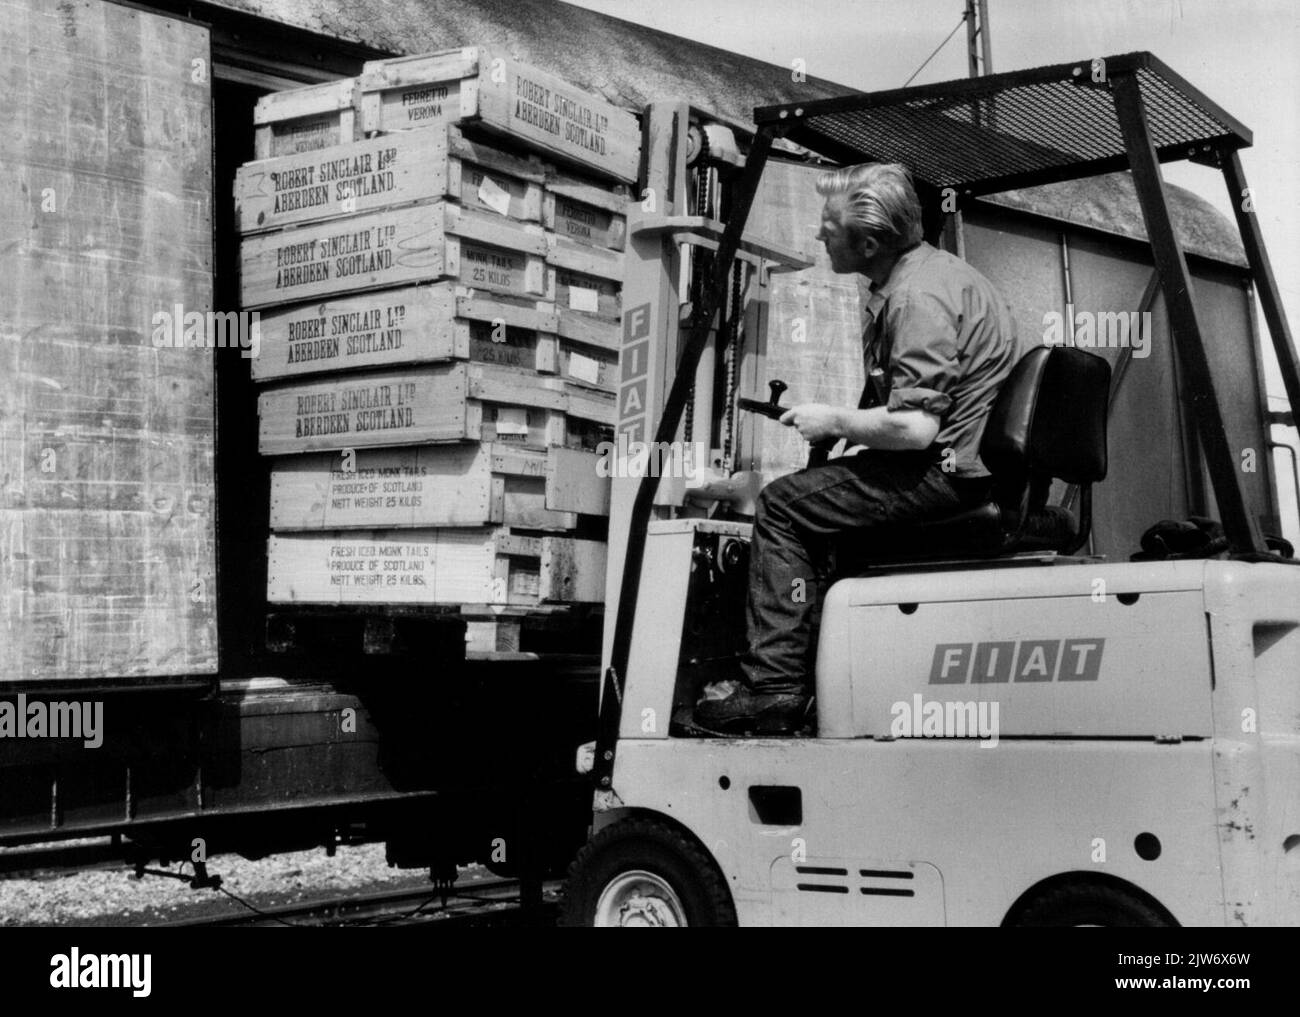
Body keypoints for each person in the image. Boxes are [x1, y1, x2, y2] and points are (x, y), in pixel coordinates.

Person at [695, 162, 1024, 734]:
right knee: (821, 498)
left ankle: (773, 687)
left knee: (781, 505)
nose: (820, 234)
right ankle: (823, 676)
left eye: (830, 225)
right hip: (957, 465)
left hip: (940, 473)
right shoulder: (936, 276)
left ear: (869, 242)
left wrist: (836, 417)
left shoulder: (916, 297)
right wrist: (849, 424)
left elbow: (917, 429)